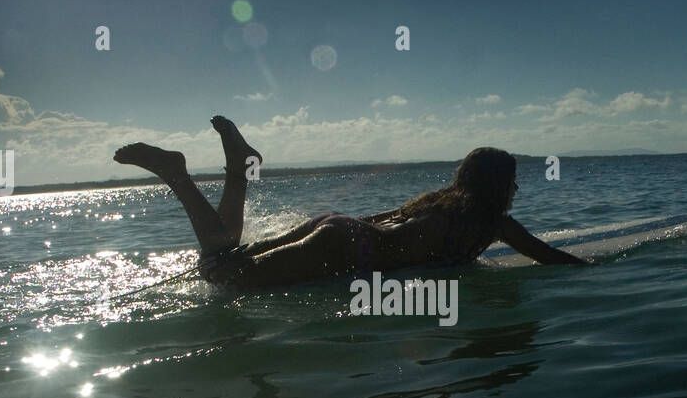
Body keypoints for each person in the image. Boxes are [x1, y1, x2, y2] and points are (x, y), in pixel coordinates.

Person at [113, 116, 588, 288]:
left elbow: (386, 222)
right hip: (345, 248)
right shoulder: (493, 223)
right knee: (220, 271)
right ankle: (177, 174)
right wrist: (599, 268)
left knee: (227, 261)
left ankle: (239, 167)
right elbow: (548, 257)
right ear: (502, 186)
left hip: (343, 228)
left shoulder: (440, 201)